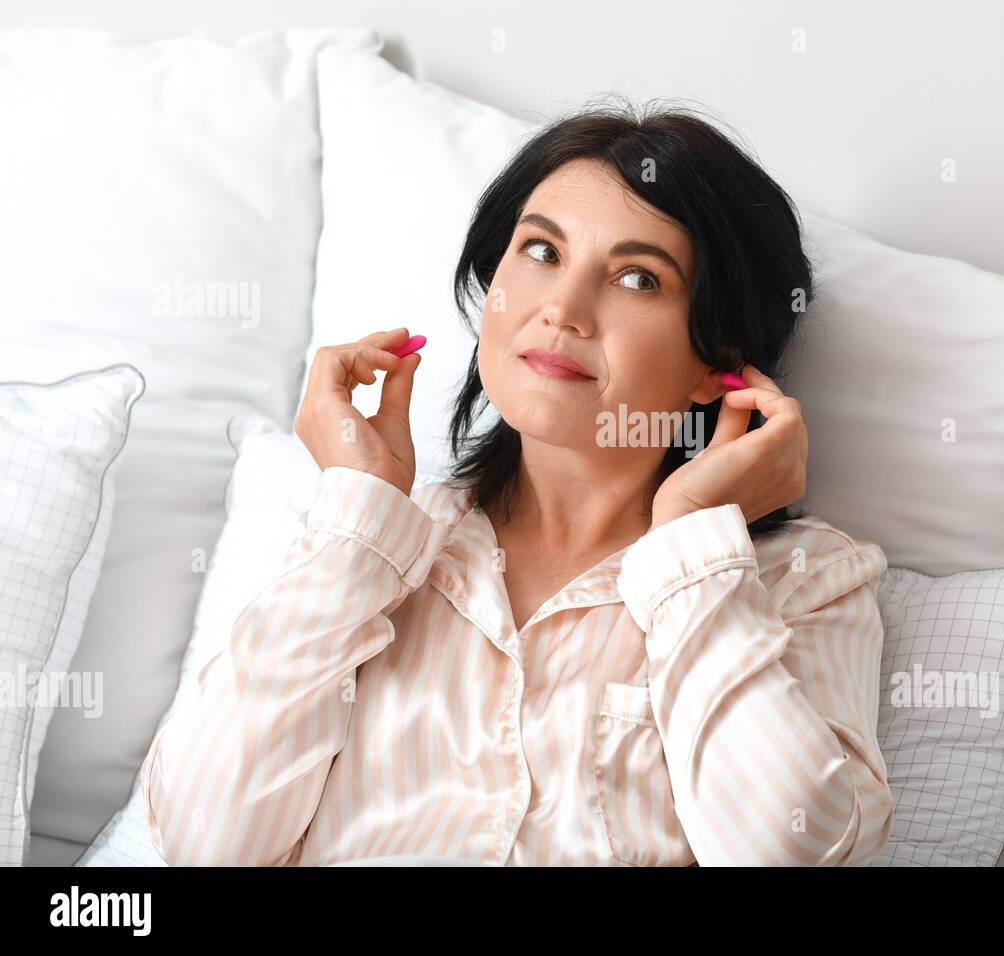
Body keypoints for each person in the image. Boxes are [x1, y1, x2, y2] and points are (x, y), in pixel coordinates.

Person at [142, 103, 894, 866]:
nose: (561, 310)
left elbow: (799, 851)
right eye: (540, 251)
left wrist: (692, 539)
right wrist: (356, 514)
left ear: (719, 362)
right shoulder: (380, 545)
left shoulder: (807, 581)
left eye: (638, 278)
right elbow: (204, 843)